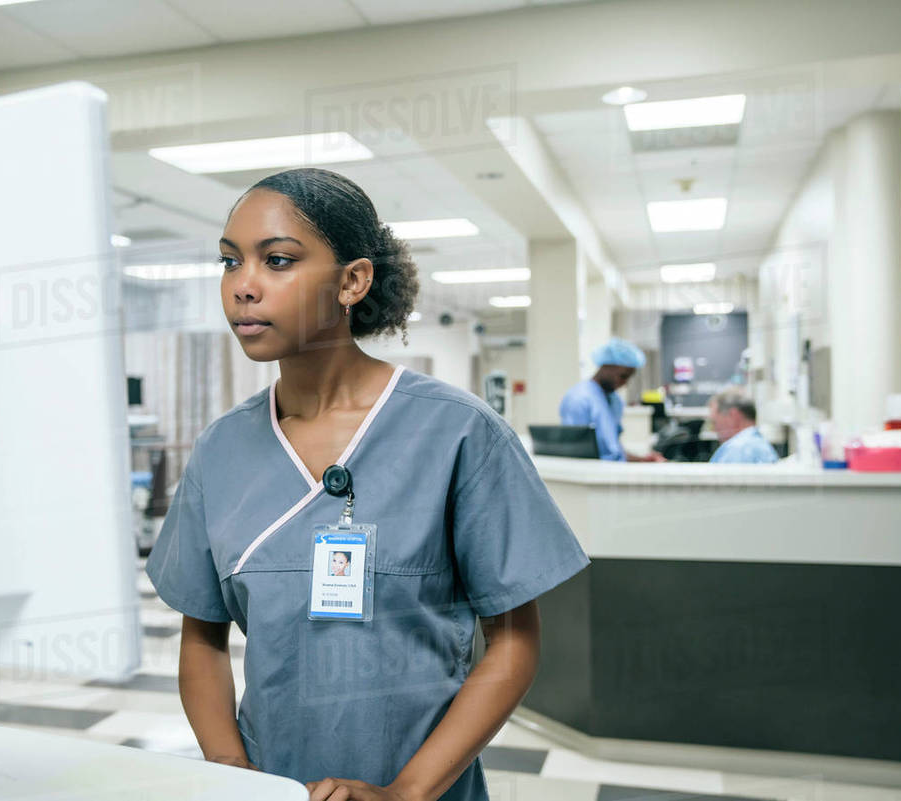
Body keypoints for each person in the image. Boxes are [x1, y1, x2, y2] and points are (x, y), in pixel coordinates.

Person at [145, 168, 590, 801]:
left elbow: (514, 640)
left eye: (276, 261)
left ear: (352, 281)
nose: (243, 287)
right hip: (274, 783)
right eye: (228, 262)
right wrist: (229, 768)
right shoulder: (223, 450)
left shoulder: (457, 433)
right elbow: (203, 637)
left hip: (424, 785)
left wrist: (406, 793)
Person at [558, 338, 664, 462]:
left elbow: (614, 452)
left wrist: (643, 460)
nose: (624, 383)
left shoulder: (615, 401)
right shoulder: (579, 398)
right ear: (606, 366)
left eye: (628, 378)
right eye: (623, 376)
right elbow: (577, 453)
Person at [707, 388, 779, 464]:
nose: (714, 430)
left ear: (733, 416)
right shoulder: (763, 447)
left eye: (715, 422)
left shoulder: (736, 449)